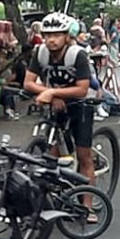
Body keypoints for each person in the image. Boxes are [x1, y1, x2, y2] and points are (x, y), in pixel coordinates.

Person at [18, 13, 98, 181]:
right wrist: (51, 95)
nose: (51, 40)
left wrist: (52, 92)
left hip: (81, 105)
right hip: (56, 105)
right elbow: (28, 83)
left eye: (56, 35)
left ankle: (88, 206)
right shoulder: (40, 53)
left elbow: (82, 89)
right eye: (47, 35)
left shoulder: (78, 55)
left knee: (84, 156)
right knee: (53, 152)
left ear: (67, 36)